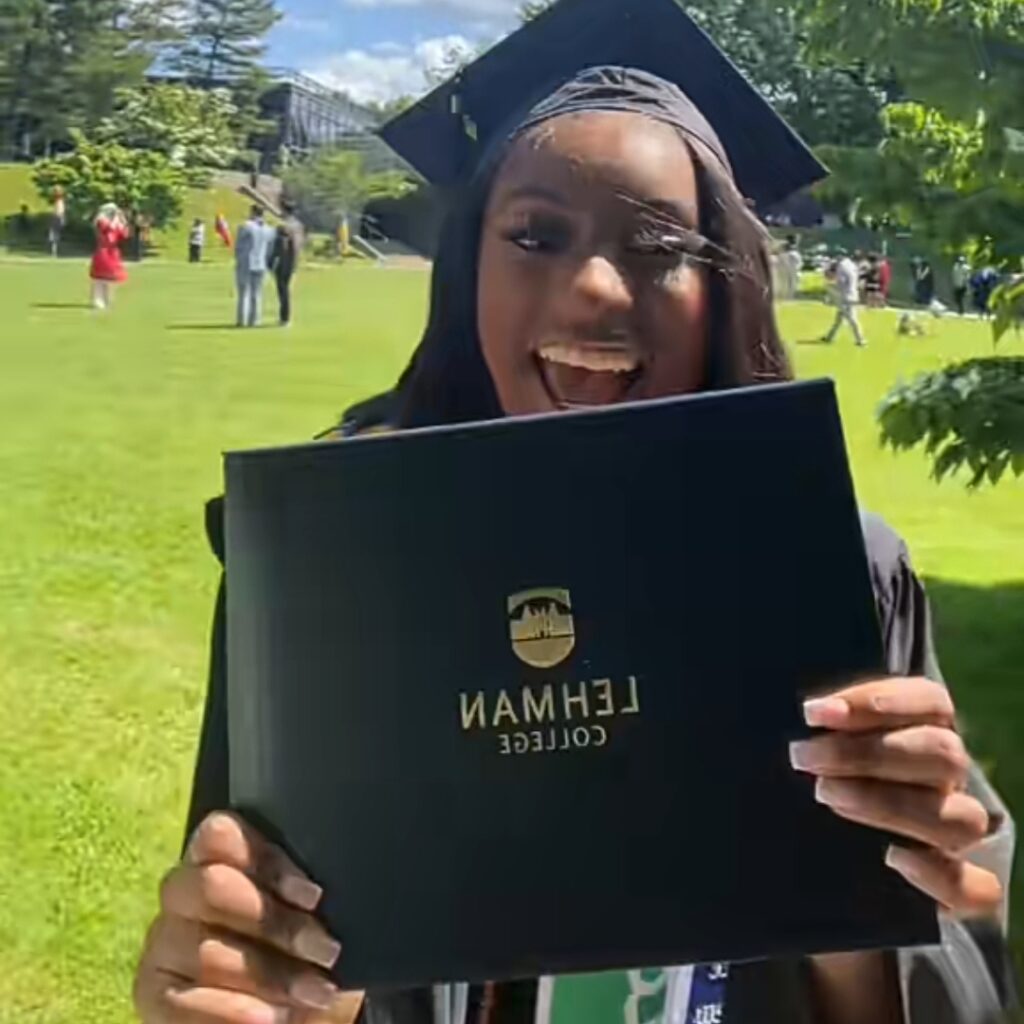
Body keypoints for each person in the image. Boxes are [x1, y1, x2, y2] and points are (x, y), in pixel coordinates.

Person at [133, 65, 1016, 1024]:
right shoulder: (324, 565)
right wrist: (247, 982)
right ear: (467, 272)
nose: (595, 288)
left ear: (724, 287)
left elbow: (939, 951)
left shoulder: (836, 571)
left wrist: (867, 925)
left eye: (660, 245)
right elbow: (256, 948)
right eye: (533, 236)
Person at [233, 205, 276, 327]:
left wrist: (238, 257)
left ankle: (242, 319)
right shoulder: (269, 229)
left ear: (252, 212)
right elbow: (270, 249)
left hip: (246, 262)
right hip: (261, 263)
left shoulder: (246, 226)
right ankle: (255, 320)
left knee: (243, 293)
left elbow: (238, 245)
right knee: (257, 293)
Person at [269, 200, 305, 326]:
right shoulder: (299, 226)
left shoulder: (284, 226)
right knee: (286, 288)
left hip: (283, 261)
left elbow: (280, 246)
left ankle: (284, 317)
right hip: (294, 260)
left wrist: (271, 261)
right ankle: (285, 317)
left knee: (282, 290)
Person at [88, 202, 129, 310]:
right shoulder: (101, 221)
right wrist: (116, 218)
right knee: (99, 279)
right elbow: (108, 228)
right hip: (103, 251)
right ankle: (98, 300)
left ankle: (107, 300)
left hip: (112, 252)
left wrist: (122, 220)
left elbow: (124, 234)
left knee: (110, 279)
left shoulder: (116, 223)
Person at [823, 251, 867, 346]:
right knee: (839, 319)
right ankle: (830, 337)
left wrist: (832, 289)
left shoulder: (842, 266)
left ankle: (860, 339)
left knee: (852, 319)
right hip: (852, 294)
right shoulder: (852, 265)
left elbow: (841, 282)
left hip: (846, 296)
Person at [49, 187, 65, 257]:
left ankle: (55, 252)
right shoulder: (58, 201)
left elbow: (60, 212)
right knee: (54, 235)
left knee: (54, 235)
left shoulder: (59, 202)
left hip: (57, 218)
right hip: (57, 218)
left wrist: (60, 218)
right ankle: (54, 251)